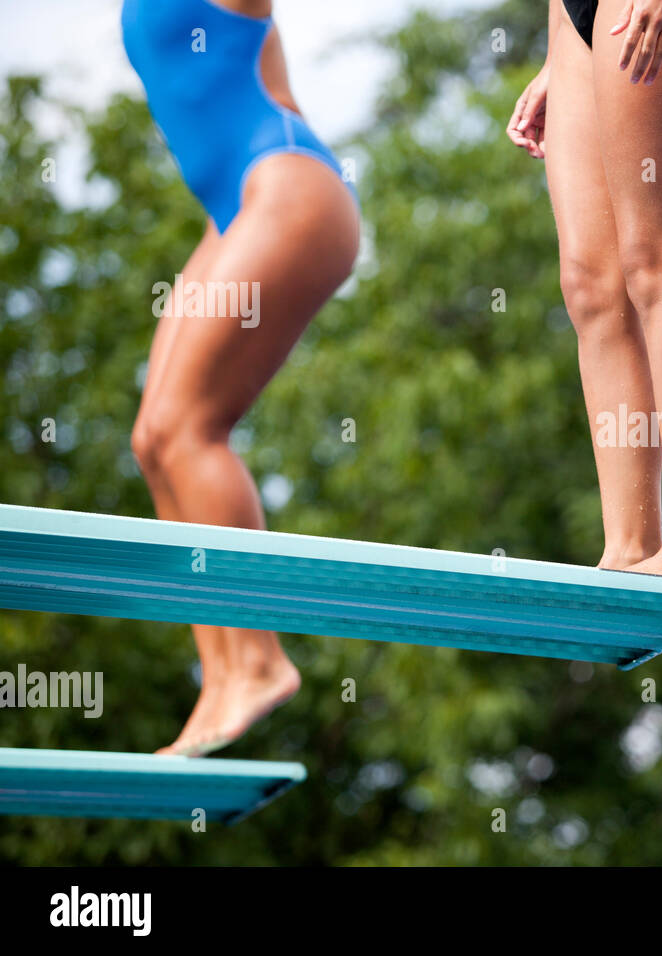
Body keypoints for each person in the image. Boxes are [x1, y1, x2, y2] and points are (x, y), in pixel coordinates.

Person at [121, 0, 359, 755]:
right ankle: (222, 675)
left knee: (191, 429)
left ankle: (257, 660)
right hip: (234, 210)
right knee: (155, 439)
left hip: (287, 187)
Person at [508, 0, 662, 583]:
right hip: (573, 22)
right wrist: (560, 50)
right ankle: (629, 547)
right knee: (591, 287)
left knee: (655, 262)